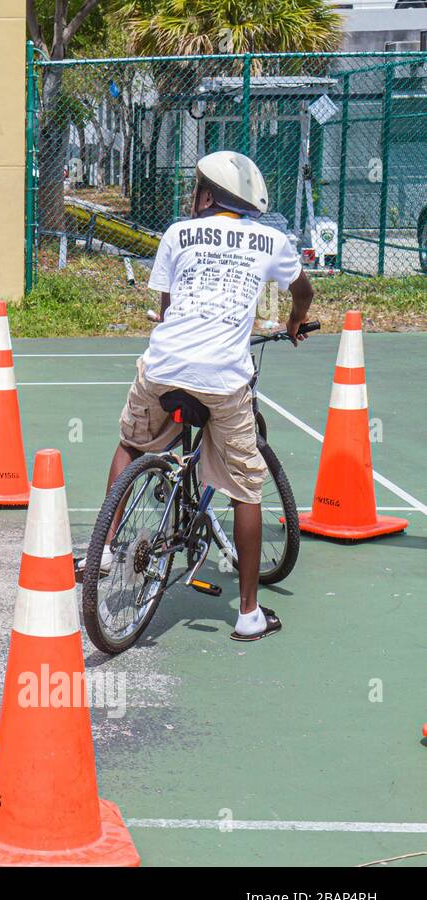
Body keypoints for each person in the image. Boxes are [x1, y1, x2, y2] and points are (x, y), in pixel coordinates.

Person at [96, 150, 314, 641]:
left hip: (165, 366)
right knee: (245, 486)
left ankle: (104, 550)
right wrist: (295, 320)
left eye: (195, 188)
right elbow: (303, 292)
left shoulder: (178, 233)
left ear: (208, 195)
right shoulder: (272, 240)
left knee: (132, 445)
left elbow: (168, 307)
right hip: (223, 377)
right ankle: (249, 614)